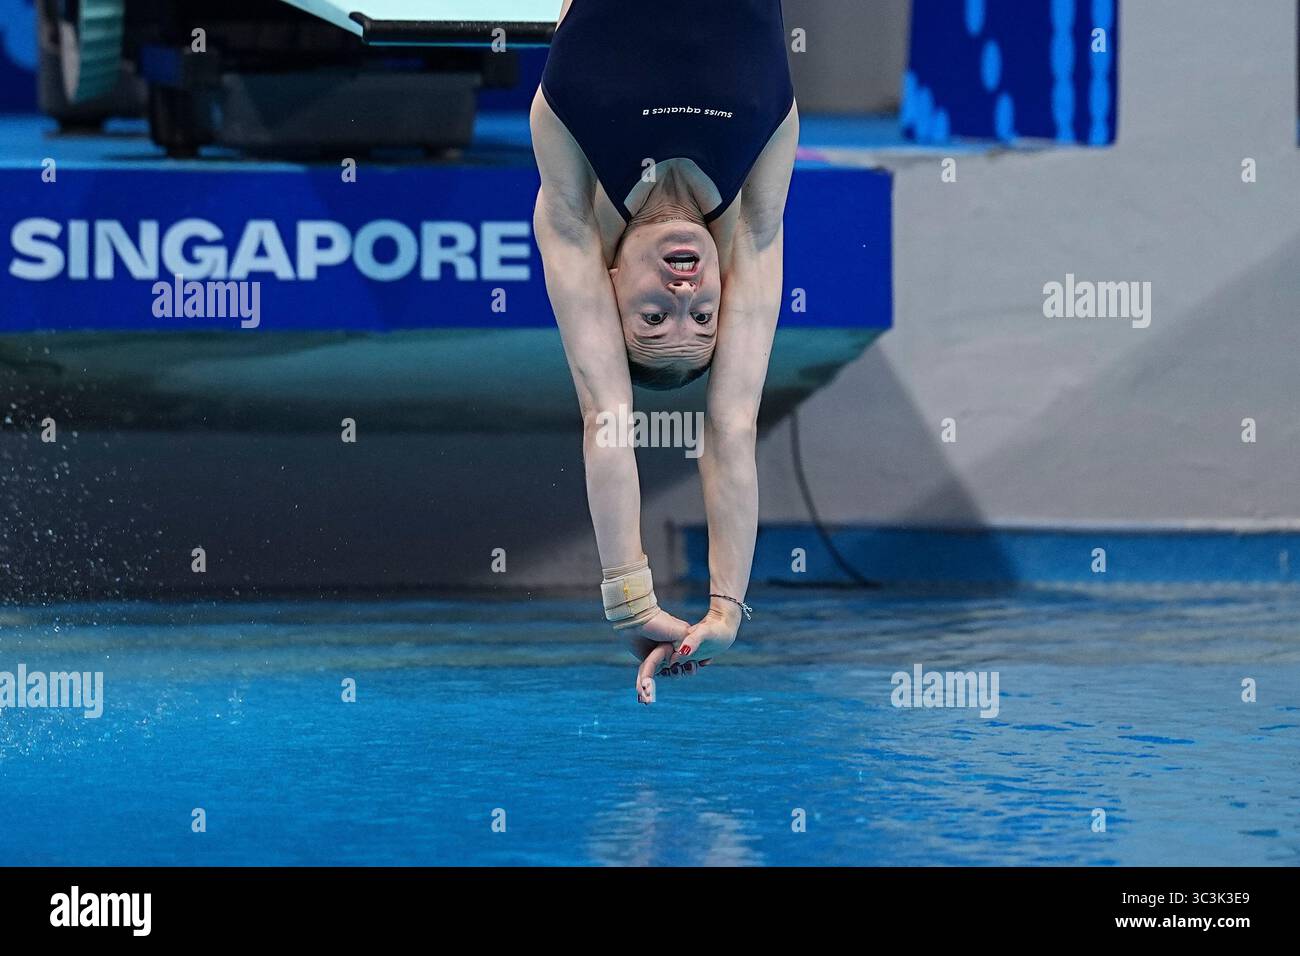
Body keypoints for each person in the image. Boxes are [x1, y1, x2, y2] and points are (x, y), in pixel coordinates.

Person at [530, 0, 798, 703]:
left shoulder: (568, 192)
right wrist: (726, 610)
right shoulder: (758, 210)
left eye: (654, 315)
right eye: (703, 313)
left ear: (608, 285)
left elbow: (606, 418)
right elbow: (733, 427)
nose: (685, 289)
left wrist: (628, 597)